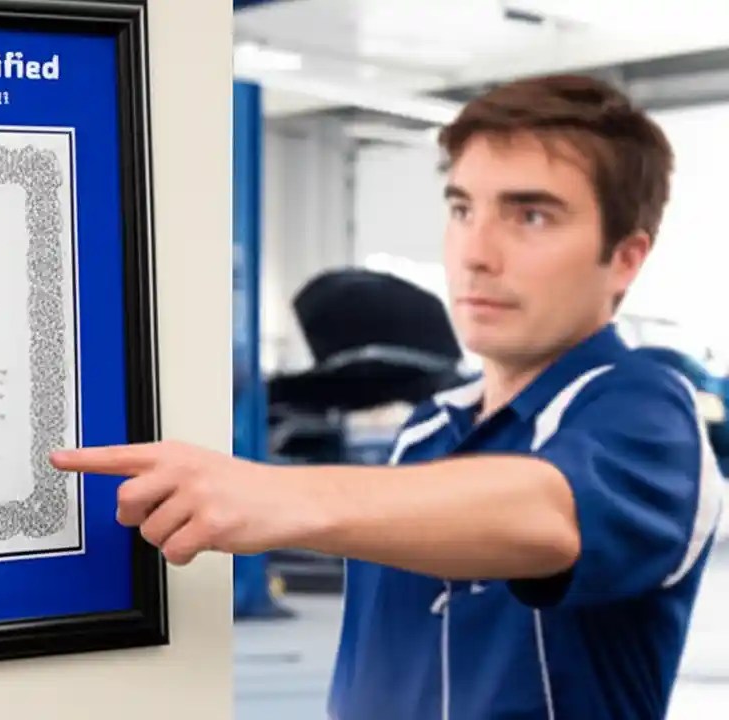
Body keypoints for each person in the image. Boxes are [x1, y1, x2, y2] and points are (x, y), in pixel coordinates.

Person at [50, 74, 725, 719]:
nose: (475, 252)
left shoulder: (647, 410)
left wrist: (275, 493)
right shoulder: (428, 431)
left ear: (626, 258)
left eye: (531, 216)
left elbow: (551, 514)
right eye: (462, 208)